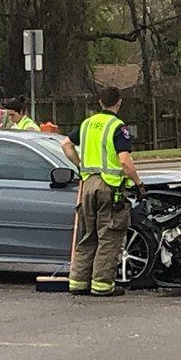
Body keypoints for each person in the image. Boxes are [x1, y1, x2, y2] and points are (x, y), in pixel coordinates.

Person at [61, 86, 146, 298]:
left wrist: (81, 166)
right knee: (109, 235)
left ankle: (78, 282)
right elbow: (125, 161)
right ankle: (102, 284)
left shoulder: (87, 124)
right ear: (119, 102)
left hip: (88, 185)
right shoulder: (118, 126)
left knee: (88, 234)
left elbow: (66, 145)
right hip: (110, 187)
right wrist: (138, 183)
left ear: (100, 102)